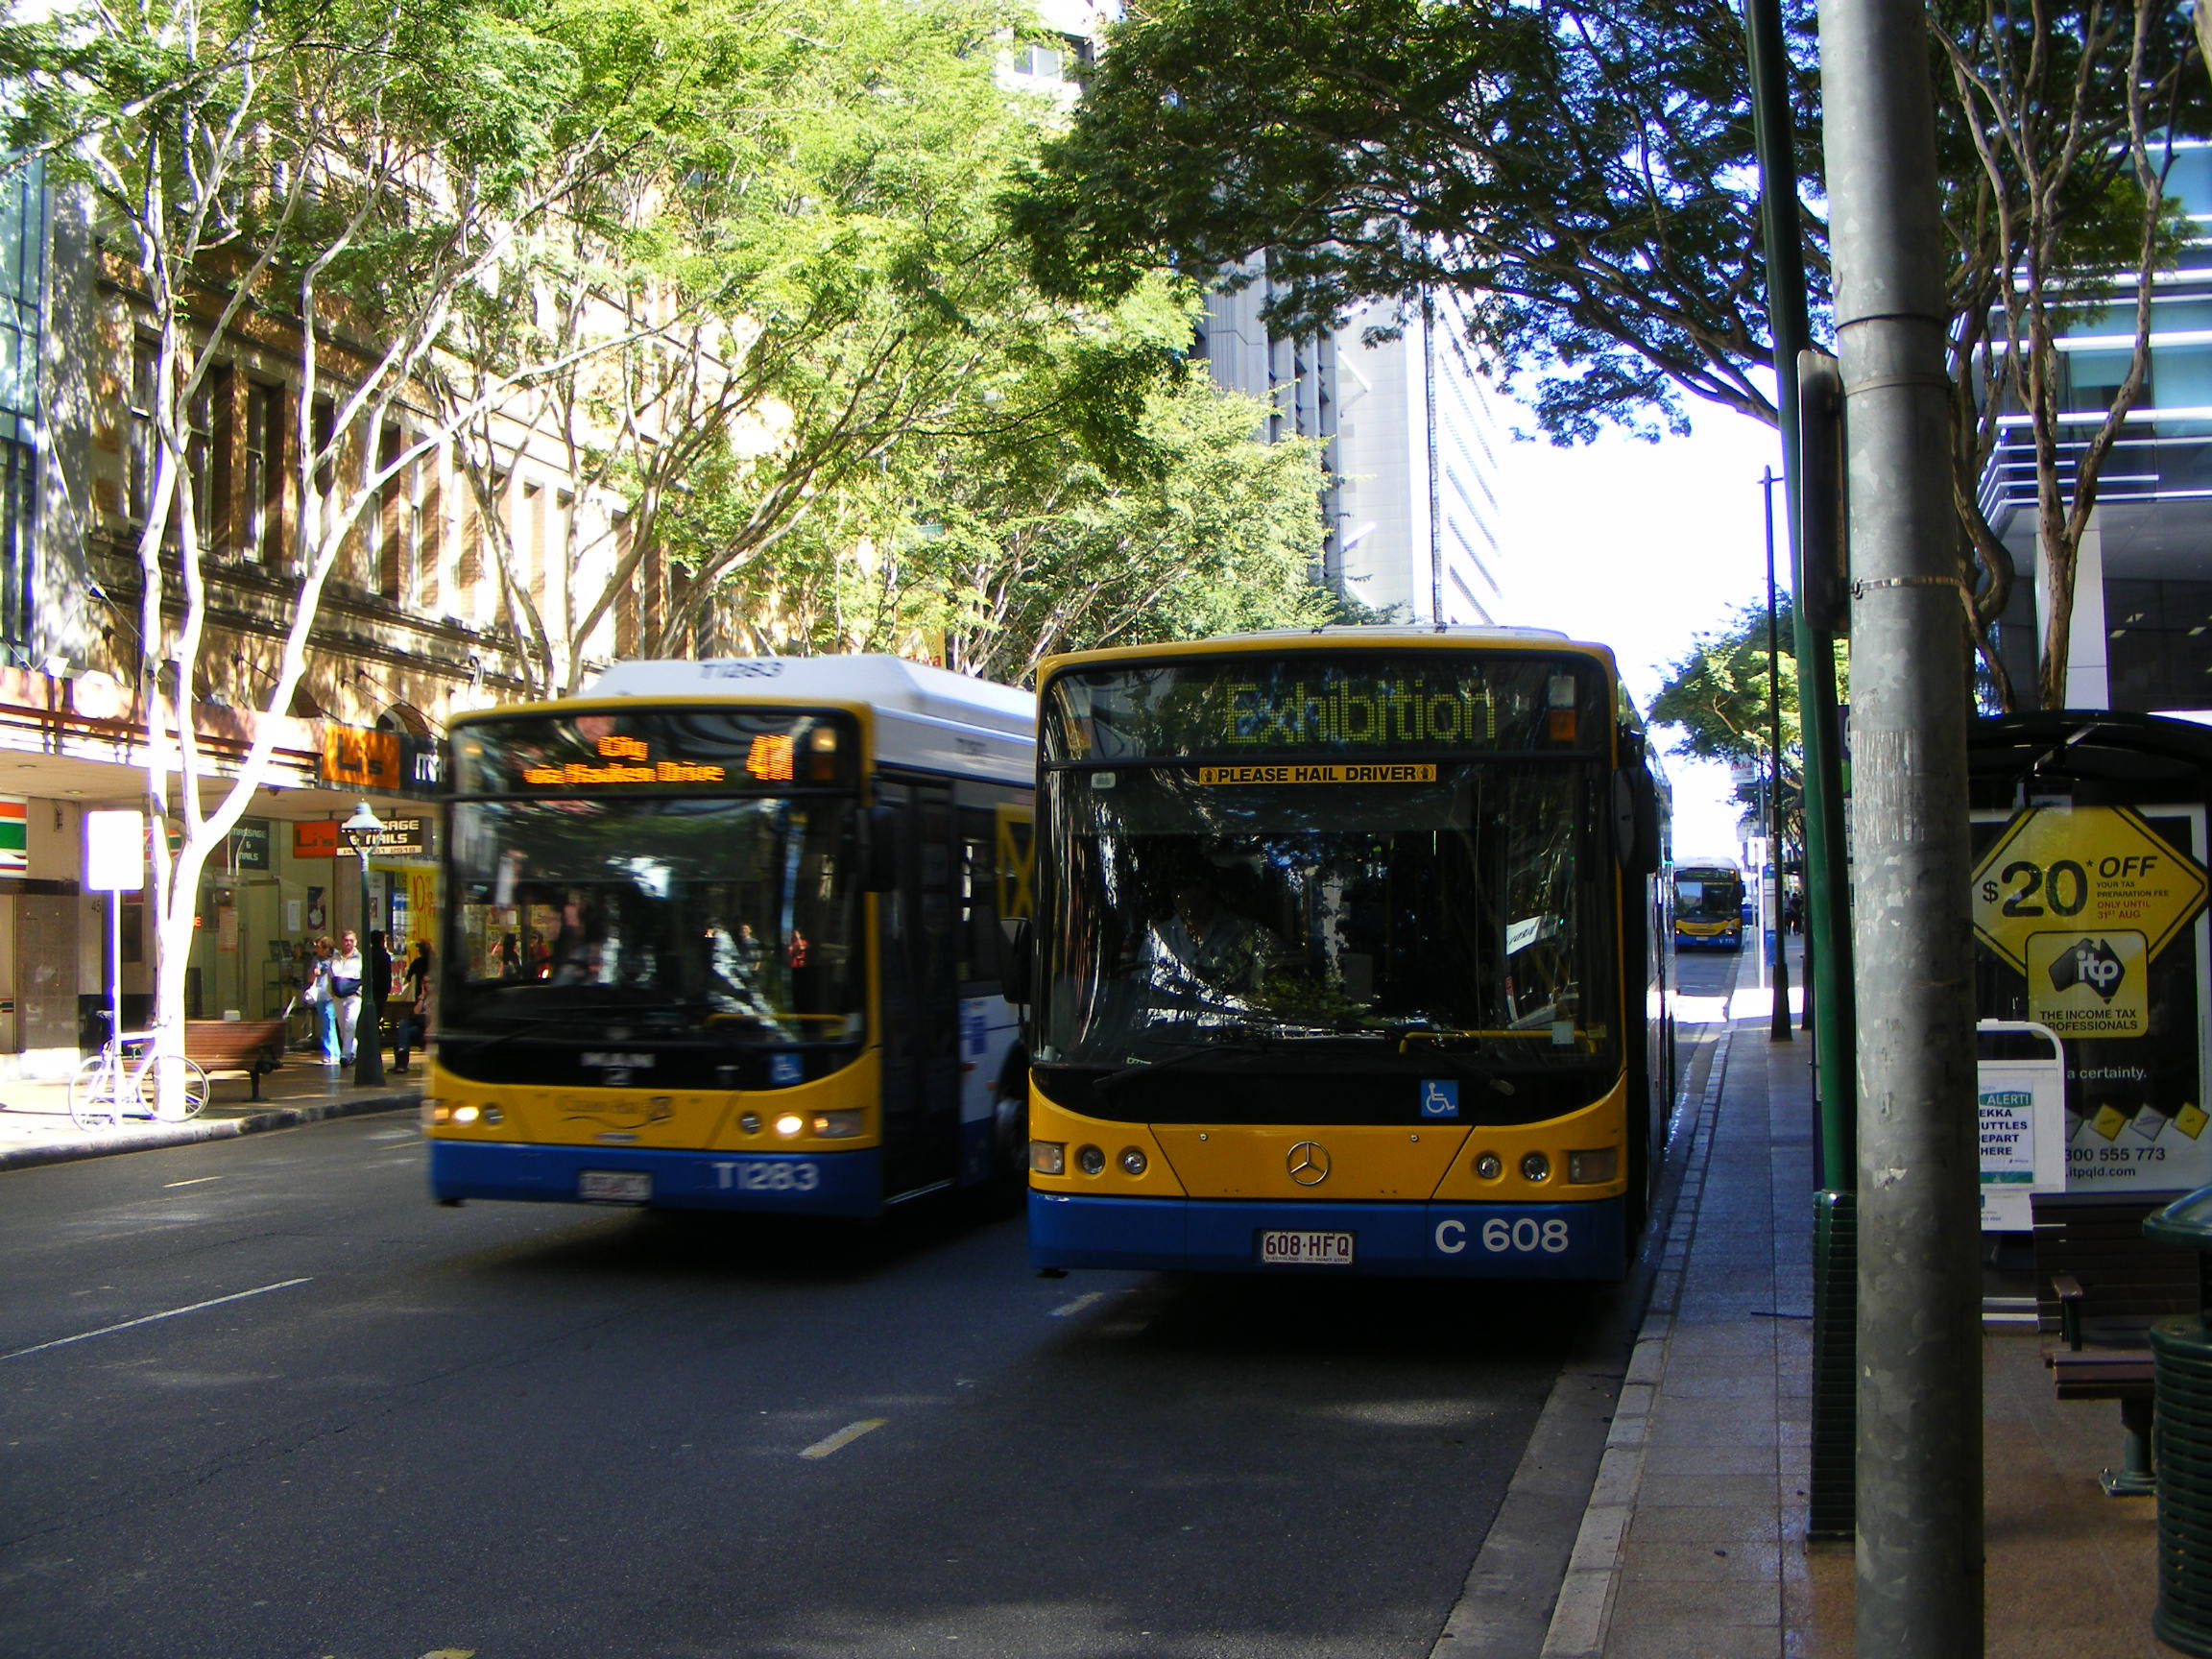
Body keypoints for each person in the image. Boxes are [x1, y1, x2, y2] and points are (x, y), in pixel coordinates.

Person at [1142, 869, 1278, 998]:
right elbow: (1142, 985)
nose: (1177, 895)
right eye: (1174, 889)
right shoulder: (1159, 936)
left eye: (1183, 887)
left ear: (1204, 887)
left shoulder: (1243, 932)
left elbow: (1269, 982)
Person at [392, 942, 434, 1073]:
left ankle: (401, 1057)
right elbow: (416, 1011)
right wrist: (422, 996)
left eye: (430, 982)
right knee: (404, 1031)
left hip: (429, 1024)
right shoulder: (424, 996)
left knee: (405, 1024)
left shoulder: (439, 997)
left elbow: (434, 1015)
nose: (427, 985)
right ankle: (401, 1063)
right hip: (420, 1025)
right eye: (425, 982)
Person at [329, 929, 366, 1066]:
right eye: (346, 940)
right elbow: (331, 975)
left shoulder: (360, 958)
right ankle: (352, 1051)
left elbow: (362, 977)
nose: (348, 943)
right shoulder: (335, 956)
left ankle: (345, 1055)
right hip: (338, 996)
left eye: (351, 940)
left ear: (355, 942)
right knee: (343, 1026)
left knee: (351, 1024)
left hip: (353, 996)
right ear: (342, 941)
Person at [304, 936, 339, 1063]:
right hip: (320, 994)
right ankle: (330, 1052)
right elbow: (310, 979)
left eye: (318, 946)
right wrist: (314, 973)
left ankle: (334, 1053)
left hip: (331, 994)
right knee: (325, 1024)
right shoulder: (316, 960)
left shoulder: (335, 958)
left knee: (330, 1023)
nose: (316, 949)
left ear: (326, 948)